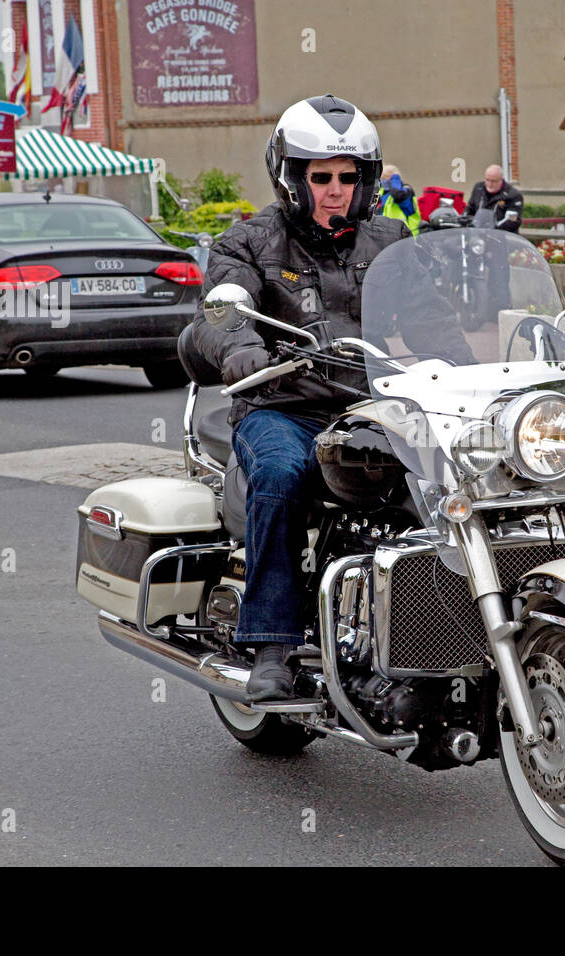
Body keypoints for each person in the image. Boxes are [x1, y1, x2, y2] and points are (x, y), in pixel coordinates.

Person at [189, 95, 426, 701]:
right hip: (282, 404)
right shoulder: (247, 243)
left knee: (458, 472)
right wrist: (240, 346)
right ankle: (270, 641)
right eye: (321, 177)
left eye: (349, 177)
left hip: (369, 403)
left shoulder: (390, 240)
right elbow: (224, 308)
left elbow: (434, 319)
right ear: (292, 177)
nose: (336, 190)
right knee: (279, 473)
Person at [465, 164, 523, 232]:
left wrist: (495, 228)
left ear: (501, 180)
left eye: (493, 181)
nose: (489, 184)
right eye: (487, 180)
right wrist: (465, 219)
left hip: (502, 235)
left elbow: (513, 221)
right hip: (478, 233)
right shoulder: (478, 188)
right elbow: (470, 208)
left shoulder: (513, 195)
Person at [377, 164, 421, 236]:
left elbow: (397, 194)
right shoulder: (382, 192)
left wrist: (395, 178)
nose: (382, 181)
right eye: (381, 178)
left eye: (385, 178)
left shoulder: (406, 191)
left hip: (406, 234)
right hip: (388, 234)